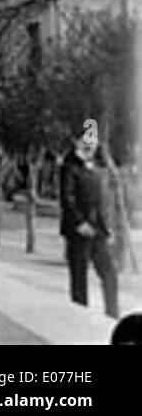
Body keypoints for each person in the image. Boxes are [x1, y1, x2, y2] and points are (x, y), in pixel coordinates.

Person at [60, 132, 120, 319]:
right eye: (85, 142)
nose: (90, 146)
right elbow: (67, 199)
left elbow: (100, 202)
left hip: (98, 231)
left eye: (93, 143)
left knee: (109, 275)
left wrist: (106, 229)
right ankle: (80, 321)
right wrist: (79, 223)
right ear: (77, 143)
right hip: (79, 231)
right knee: (80, 280)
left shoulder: (96, 168)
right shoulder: (69, 167)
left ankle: (112, 316)